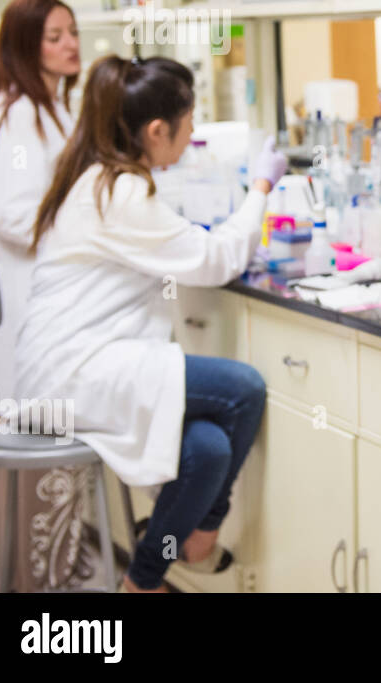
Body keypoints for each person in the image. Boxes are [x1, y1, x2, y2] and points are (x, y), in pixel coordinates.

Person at [14, 55, 289, 593]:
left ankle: (141, 578)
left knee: (207, 450)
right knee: (243, 389)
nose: (192, 134)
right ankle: (196, 540)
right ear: (157, 130)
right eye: (189, 123)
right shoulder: (120, 191)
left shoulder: (99, 176)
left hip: (76, 362)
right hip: (78, 370)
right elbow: (215, 260)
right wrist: (260, 187)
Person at [0, 0, 85, 591]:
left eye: (72, 31)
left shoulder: (53, 108)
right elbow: (15, 219)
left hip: (54, 301)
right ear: (25, 46)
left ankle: (51, 574)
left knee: (54, 450)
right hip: (32, 304)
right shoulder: (16, 114)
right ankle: (32, 582)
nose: (71, 43)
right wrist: (85, 224)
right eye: (55, 36)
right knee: (39, 441)